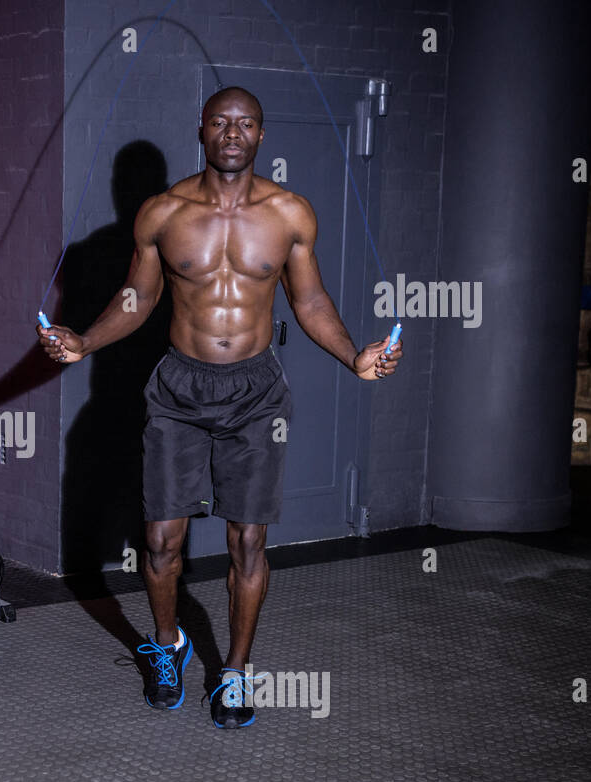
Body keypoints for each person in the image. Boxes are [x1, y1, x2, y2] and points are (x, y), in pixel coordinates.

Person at [38, 86, 402, 728]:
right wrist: (85, 341)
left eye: (246, 123)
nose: (233, 133)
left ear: (261, 135)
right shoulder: (163, 212)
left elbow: (310, 301)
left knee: (248, 540)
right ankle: (168, 645)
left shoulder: (290, 213)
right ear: (201, 129)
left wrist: (354, 357)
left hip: (255, 392)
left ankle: (234, 672)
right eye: (221, 122)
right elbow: (137, 297)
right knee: (159, 540)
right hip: (179, 387)